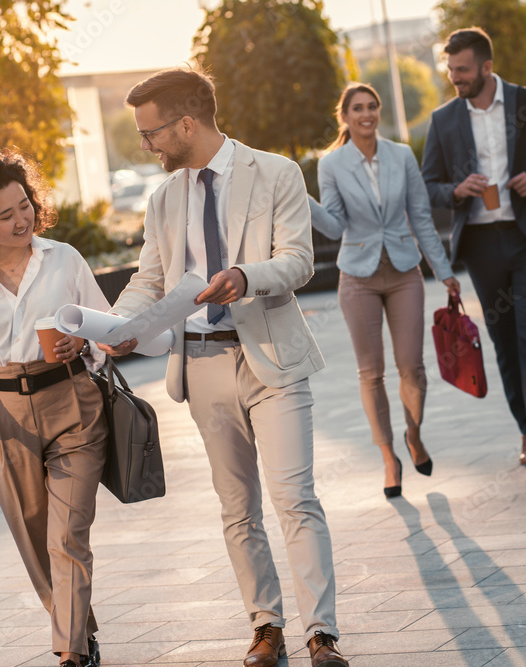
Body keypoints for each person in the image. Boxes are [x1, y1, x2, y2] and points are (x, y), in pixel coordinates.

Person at [98, 68, 349, 667]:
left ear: (187, 124)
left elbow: (298, 261)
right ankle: (266, 627)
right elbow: (149, 280)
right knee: (237, 507)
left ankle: (322, 634)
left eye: (151, 133)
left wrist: (244, 277)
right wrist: (117, 326)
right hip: (202, 364)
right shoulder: (163, 198)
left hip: (272, 359)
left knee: (295, 498)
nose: (147, 145)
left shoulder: (277, 173)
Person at [0, 148, 108, 667]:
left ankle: (71, 652)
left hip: (73, 403)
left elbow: (107, 328)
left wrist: (84, 340)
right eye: (5, 214)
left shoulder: (64, 259)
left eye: (25, 205)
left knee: (67, 534)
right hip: (5, 415)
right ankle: (80, 630)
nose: (21, 219)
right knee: (34, 537)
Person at [421, 27, 526, 478]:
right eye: (451, 70)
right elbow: (428, 185)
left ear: (487, 67)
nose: (455, 78)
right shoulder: (444, 119)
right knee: (505, 342)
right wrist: (457, 190)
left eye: (463, 70)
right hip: (481, 247)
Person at [309, 82, 460, 499]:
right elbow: (334, 226)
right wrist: (306, 204)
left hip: (404, 270)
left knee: (412, 366)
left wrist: (443, 270)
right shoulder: (332, 164)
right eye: (357, 108)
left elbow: (421, 218)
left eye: (372, 106)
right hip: (357, 277)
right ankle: (389, 458)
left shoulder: (401, 155)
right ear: (345, 116)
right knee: (370, 372)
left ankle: (414, 432)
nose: (367, 114)